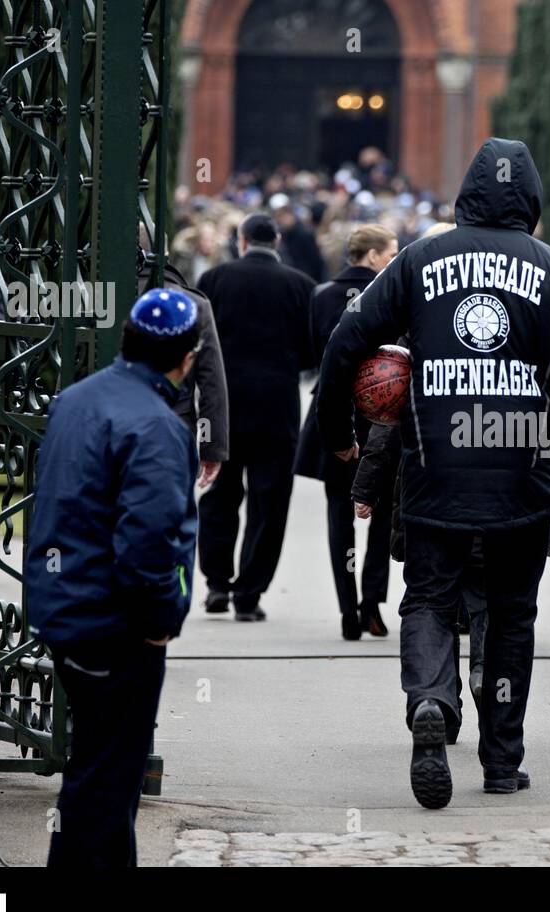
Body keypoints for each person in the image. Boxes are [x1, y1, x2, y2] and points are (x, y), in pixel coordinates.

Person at [317, 137, 550, 809]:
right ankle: (502, 761)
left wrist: (339, 433)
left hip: (434, 466)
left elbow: (347, 342)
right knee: (510, 613)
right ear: (531, 201)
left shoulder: (419, 259)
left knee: (428, 597)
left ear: (466, 194)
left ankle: (431, 701)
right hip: (519, 474)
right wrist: (545, 426)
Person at [25, 288, 201, 866]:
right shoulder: (155, 424)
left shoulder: (77, 399)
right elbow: (148, 543)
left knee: (97, 775)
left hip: (68, 607)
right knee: (105, 781)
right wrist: (157, 623)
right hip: (116, 623)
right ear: (186, 357)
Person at [197, 214, 316, 621]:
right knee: (269, 503)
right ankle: (248, 593)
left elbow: (197, 343)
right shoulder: (301, 286)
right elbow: (313, 349)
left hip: (224, 404)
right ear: (278, 241)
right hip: (276, 405)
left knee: (219, 496)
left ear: (242, 240)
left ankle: (216, 582)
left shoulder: (214, 280)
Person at [294, 224, 399, 639]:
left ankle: (346, 608)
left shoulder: (320, 296)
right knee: (383, 511)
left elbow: (310, 356)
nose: (394, 260)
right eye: (390, 254)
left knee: (339, 514)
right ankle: (372, 602)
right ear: (371, 256)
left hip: (332, 411)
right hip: (381, 412)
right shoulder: (389, 296)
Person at [137, 224, 229, 490]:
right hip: (174, 427)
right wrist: (213, 449)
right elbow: (211, 382)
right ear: (164, 252)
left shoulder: (102, 297)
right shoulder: (193, 304)